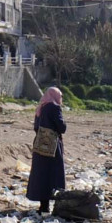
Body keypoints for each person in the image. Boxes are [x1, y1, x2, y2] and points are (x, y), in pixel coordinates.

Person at [28, 86, 67, 214]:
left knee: (42, 175)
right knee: (54, 175)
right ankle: (55, 205)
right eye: (60, 96)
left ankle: (43, 207)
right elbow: (61, 128)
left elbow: (36, 127)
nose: (61, 99)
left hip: (40, 146)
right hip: (52, 148)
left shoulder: (41, 107)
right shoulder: (54, 108)